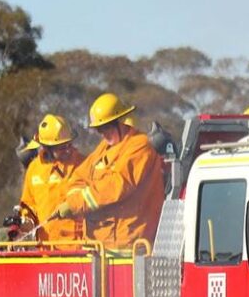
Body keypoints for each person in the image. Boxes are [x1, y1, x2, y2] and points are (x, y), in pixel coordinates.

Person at [50, 93, 167, 251]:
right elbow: (79, 177)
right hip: (99, 247)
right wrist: (73, 199)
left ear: (121, 121)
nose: (103, 134)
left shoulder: (140, 146)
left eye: (106, 128)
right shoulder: (104, 148)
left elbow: (116, 185)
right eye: (99, 129)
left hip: (128, 247)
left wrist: (75, 203)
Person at [17, 115, 84, 244]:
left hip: (77, 251)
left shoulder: (83, 164)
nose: (68, 149)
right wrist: (25, 220)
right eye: (62, 146)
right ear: (47, 147)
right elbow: (28, 204)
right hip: (46, 249)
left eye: (69, 144)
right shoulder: (34, 169)